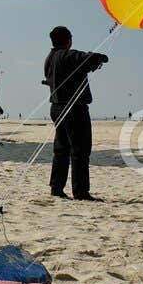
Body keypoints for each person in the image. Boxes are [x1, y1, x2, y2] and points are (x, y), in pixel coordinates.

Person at [42, 25, 108, 201]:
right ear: (68, 40)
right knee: (80, 150)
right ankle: (80, 192)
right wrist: (101, 58)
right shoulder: (68, 55)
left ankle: (56, 188)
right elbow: (88, 58)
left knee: (61, 149)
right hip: (74, 109)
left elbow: (80, 64)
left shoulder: (49, 58)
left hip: (56, 108)